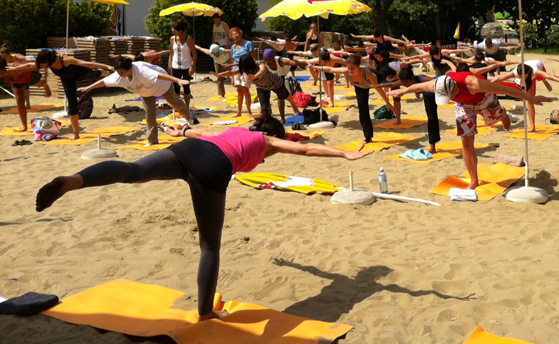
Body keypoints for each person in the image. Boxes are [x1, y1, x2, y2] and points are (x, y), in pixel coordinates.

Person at [35, 115, 372, 321]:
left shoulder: (238, 130)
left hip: (189, 152)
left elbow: (199, 135)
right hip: (212, 168)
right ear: (274, 139)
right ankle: (205, 312)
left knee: (134, 171)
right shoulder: (267, 140)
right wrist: (346, 153)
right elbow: (307, 149)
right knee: (210, 245)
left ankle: (75, 181)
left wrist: (180, 134)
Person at [388, 71, 552, 189]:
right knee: (466, 141)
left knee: (494, 121)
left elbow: (504, 89)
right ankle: (474, 180)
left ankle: (502, 114)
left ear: (454, 89)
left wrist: (531, 98)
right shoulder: (436, 84)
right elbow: (417, 87)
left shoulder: (473, 83)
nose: (449, 99)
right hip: (464, 106)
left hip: (484, 98)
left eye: (450, 96)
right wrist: (402, 91)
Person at [80, 58, 194, 146]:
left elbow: (160, 75)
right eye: (118, 72)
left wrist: (177, 80)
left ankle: (189, 119)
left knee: (176, 103)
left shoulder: (141, 70)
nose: (120, 74)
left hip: (161, 85)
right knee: (150, 114)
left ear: (129, 68)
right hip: (146, 92)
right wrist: (89, 87)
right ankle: (153, 140)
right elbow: (104, 82)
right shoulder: (119, 76)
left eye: (122, 72)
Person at [310, 54, 394, 147]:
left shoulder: (367, 73)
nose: (350, 71)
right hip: (360, 88)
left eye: (352, 68)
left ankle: (391, 70)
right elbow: (330, 69)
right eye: (348, 68)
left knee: (384, 72)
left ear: (359, 66)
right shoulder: (347, 71)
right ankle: (368, 137)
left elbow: (378, 88)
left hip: (375, 79)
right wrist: (313, 66)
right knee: (363, 112)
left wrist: (388, 103)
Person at [35, 50, 114, 139]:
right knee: (72, 103)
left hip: (81, 73)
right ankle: (76, 134)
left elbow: (87, 63)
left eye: (44, 65)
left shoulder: (66, 60)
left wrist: (107, 66)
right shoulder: (46, 63)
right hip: (67, 79)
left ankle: (102, 72)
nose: (44, 67)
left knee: (94, 74)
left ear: (50, 60)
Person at [213, 54, 299, 123]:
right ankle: (268, 122)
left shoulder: (260, 65)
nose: (244, 69)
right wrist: (220, 75)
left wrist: (255, 76)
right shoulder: (244, 69)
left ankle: (294, 106)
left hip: (276, 83)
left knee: (286, 96)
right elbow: (231, 72)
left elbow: (262, 71)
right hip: (262, 87)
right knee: (265, 108)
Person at [494, 62, 559, 132]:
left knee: (541, 77)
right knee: (530, 101)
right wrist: (486, 84)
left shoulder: (535, 70)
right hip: (530, 78)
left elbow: (549, 76)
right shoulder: (515, 72)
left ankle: (544, 81)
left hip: (539, 67)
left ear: (527, 73)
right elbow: (500, 79)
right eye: (520, 77)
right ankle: (533, 126)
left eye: (524, 76)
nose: (522, 78)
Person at [169, 21, 197, 112]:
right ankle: (177, 107)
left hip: (186, 66)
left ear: (181, 31)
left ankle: (187, 107)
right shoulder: (172, 39)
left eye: (175, 31)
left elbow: (194, 54)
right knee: (175, 88)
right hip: (175, 66)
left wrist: (192, 66)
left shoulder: (189, 39)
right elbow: (171, 53)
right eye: (172, 31)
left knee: (186, 88)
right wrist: (169, 65)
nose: (173, 33)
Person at [210, 13, 231, 96]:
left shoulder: (223, 24)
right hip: (217, 46)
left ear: (219, 18)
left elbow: (229, 34)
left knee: (227, 61)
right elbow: (214, 35)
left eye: (216, 19)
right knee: (218, 62)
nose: (215, 21)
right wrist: (213, 44)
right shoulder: (214, 26)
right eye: (214, 19)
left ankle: (228, 76)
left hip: (224, 45)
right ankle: (223, 78)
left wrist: (228, 44)